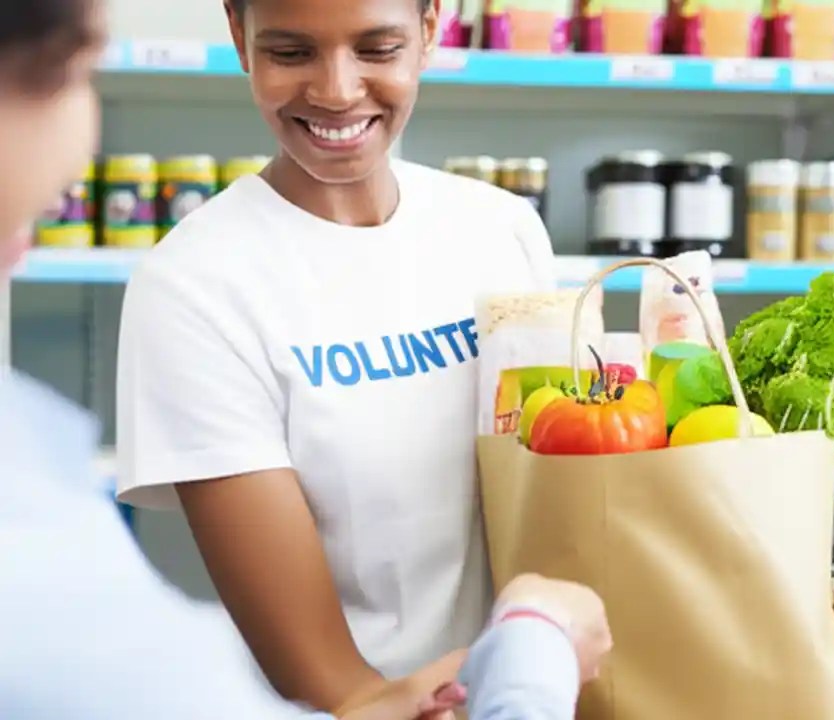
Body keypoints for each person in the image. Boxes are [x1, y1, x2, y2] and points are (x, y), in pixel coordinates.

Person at [0, 0, 609, 718]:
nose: (337, 90)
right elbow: (344, 692)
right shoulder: (195, 286)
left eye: (377, 49)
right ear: (239, 34)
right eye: (291, 53)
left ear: (430, 27)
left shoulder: (501, 228)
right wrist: (528, 654)